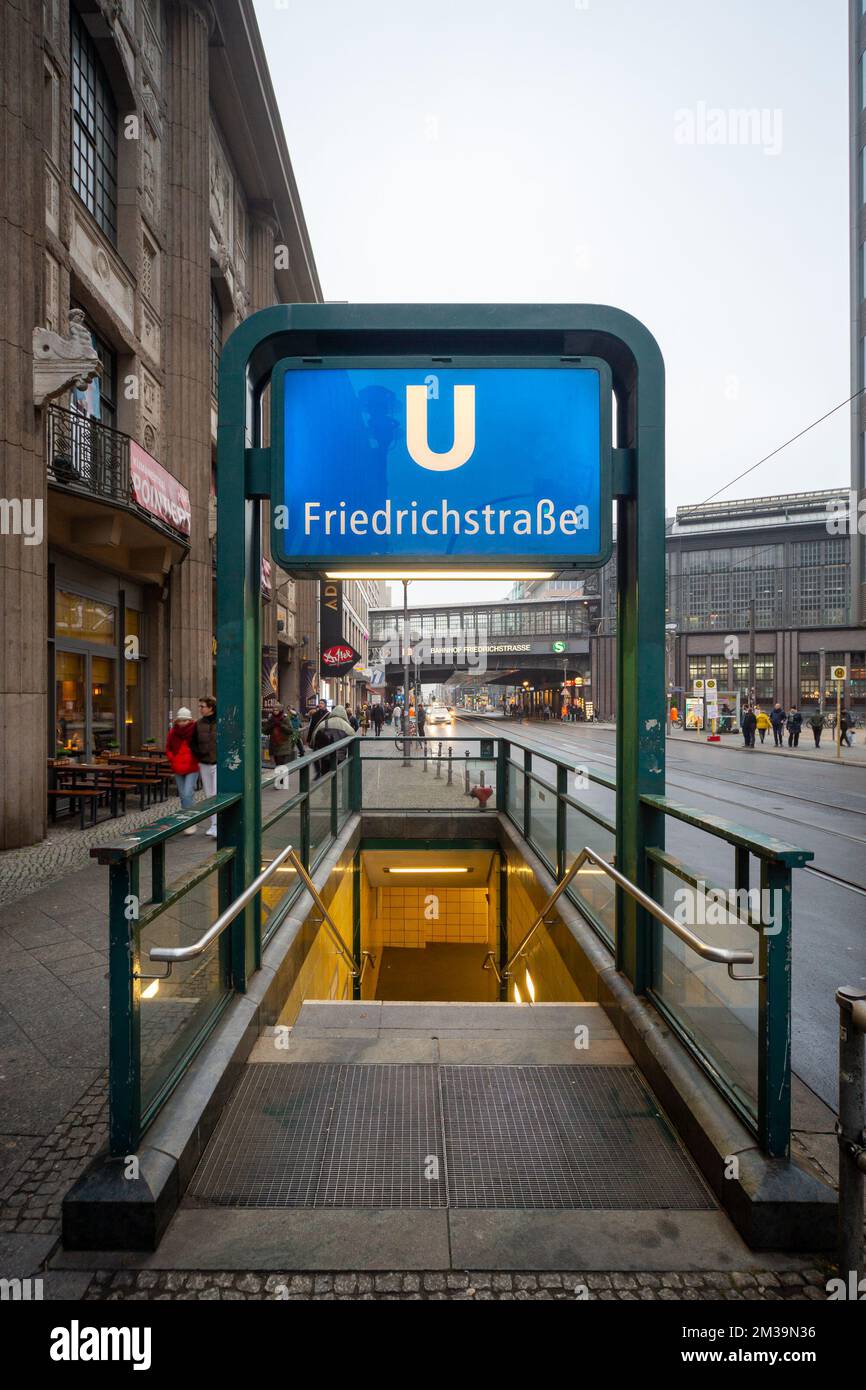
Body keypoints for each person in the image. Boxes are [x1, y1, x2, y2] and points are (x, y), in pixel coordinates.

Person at [166, 707, 199, 833]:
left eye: (185, 720)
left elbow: (200, 745)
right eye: (180, 720)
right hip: (178, 767)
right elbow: (168, 747)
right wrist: (172, 758)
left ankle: (188, 820)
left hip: (192, 766)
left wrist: (197, 757)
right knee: (183, 795)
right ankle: (191, 815)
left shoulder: (195, 731)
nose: (182, 723)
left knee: (187, 793)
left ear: (189, 720)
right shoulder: (173, 732)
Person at [193, 696, 218, 837]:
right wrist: (199, 754)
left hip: (218, 762)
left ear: (211, 707)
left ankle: (217, 824)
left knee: (216, 794)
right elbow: (193, 742)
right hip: (204, 763)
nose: (200, 709)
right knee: (209, 795)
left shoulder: (220, 721)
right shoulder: (198, 724)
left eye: (202, 706)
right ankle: (213, 824)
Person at [311, 702, 357, 776]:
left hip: (325, 755)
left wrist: (314, 746)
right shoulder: (346, 726)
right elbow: (354, 740)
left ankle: (326, 786)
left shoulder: (323, 723)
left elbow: (314, 737)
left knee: (325, 776)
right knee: (339, 776)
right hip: (340, 757)